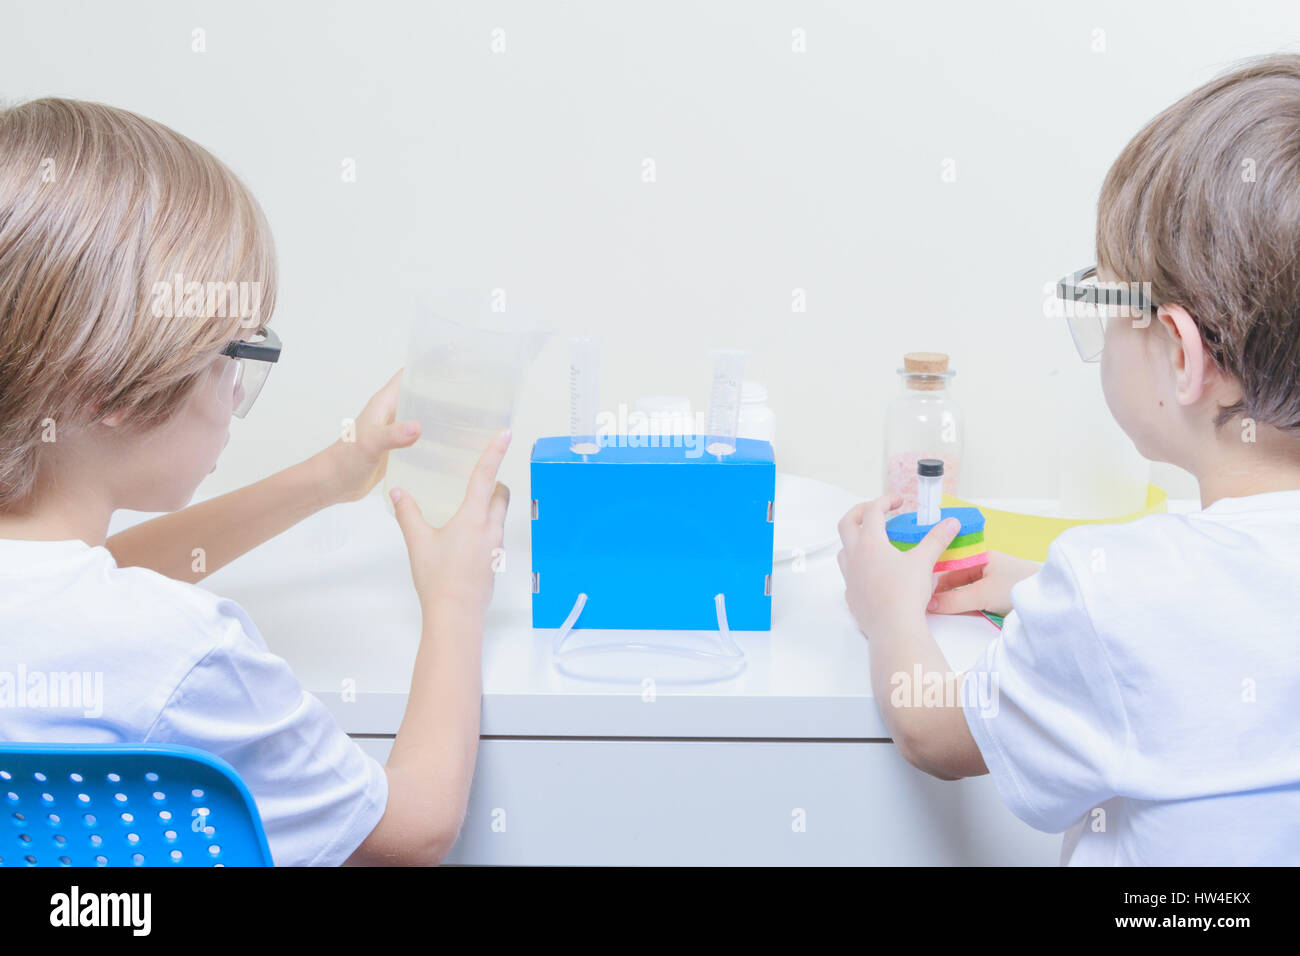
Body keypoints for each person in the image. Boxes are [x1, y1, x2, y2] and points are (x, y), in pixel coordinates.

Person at [0, 97, 508, 866]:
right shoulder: (184, 650)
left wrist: (328, 477)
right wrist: (456, 601)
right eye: (228, 356)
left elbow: (87, 583)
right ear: (104, 387)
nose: (235, 392)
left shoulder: (67, 607)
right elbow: (415, 826)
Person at [837, 55, 1300, 865]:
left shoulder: (1116, 596)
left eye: (1109, 305)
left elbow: (933, 730)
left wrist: (887, 616)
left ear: (1181, 356)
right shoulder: (1125, 588)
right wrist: (1034, 584)